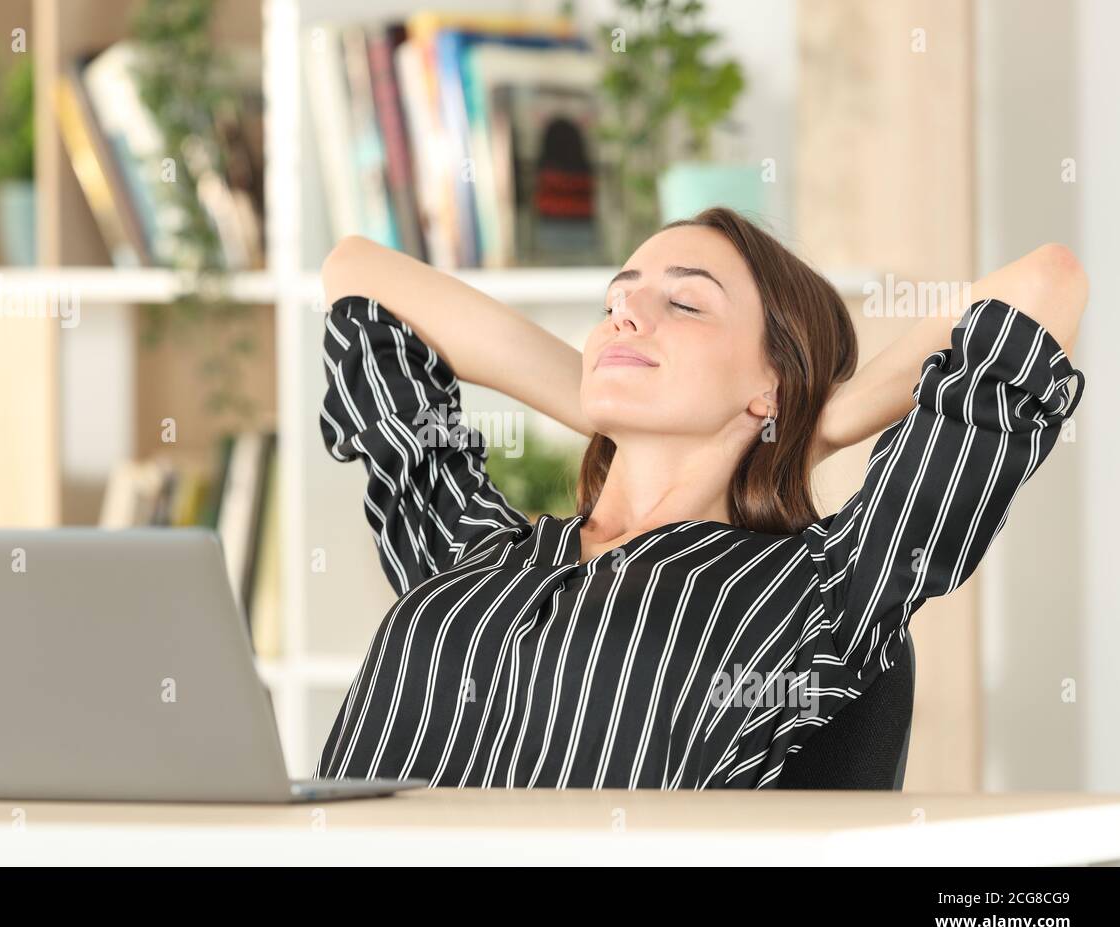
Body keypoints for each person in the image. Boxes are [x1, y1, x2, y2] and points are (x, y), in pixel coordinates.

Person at [312, 207, 1087, 789]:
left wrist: (820, 419)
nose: (625, 313)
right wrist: (599, 390)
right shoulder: (472, 549)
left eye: (685, 304)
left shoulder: (822, 590)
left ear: (770, 381)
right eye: (616, 300)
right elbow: (357, 276)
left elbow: (1042, 285)